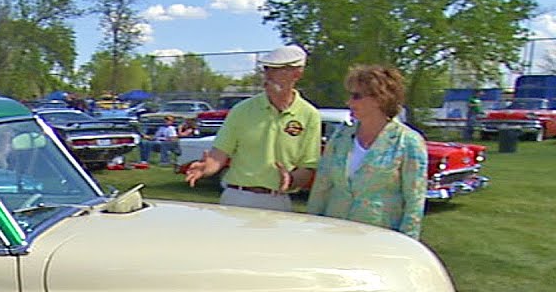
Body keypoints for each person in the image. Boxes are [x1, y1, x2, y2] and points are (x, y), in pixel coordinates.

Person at [183, 44, 322, 211]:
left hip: (278, 200)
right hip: (237, 197)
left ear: (297, 73)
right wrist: (205, 168)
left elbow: (308, 165)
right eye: (267, 69)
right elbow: (220, 153)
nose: (269, 75)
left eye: (278, 69)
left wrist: (291, 180)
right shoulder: (242, 110)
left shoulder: (309, 115)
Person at [306, 65, 428, 239]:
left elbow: (414, 201)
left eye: (356, 96)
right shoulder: (341, 137)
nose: (349, 102)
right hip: (333, 234)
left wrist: (407, 243)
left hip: (380, 238)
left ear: (380, 98)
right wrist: (312, 228)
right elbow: (321, 187)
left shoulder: (408, 141)